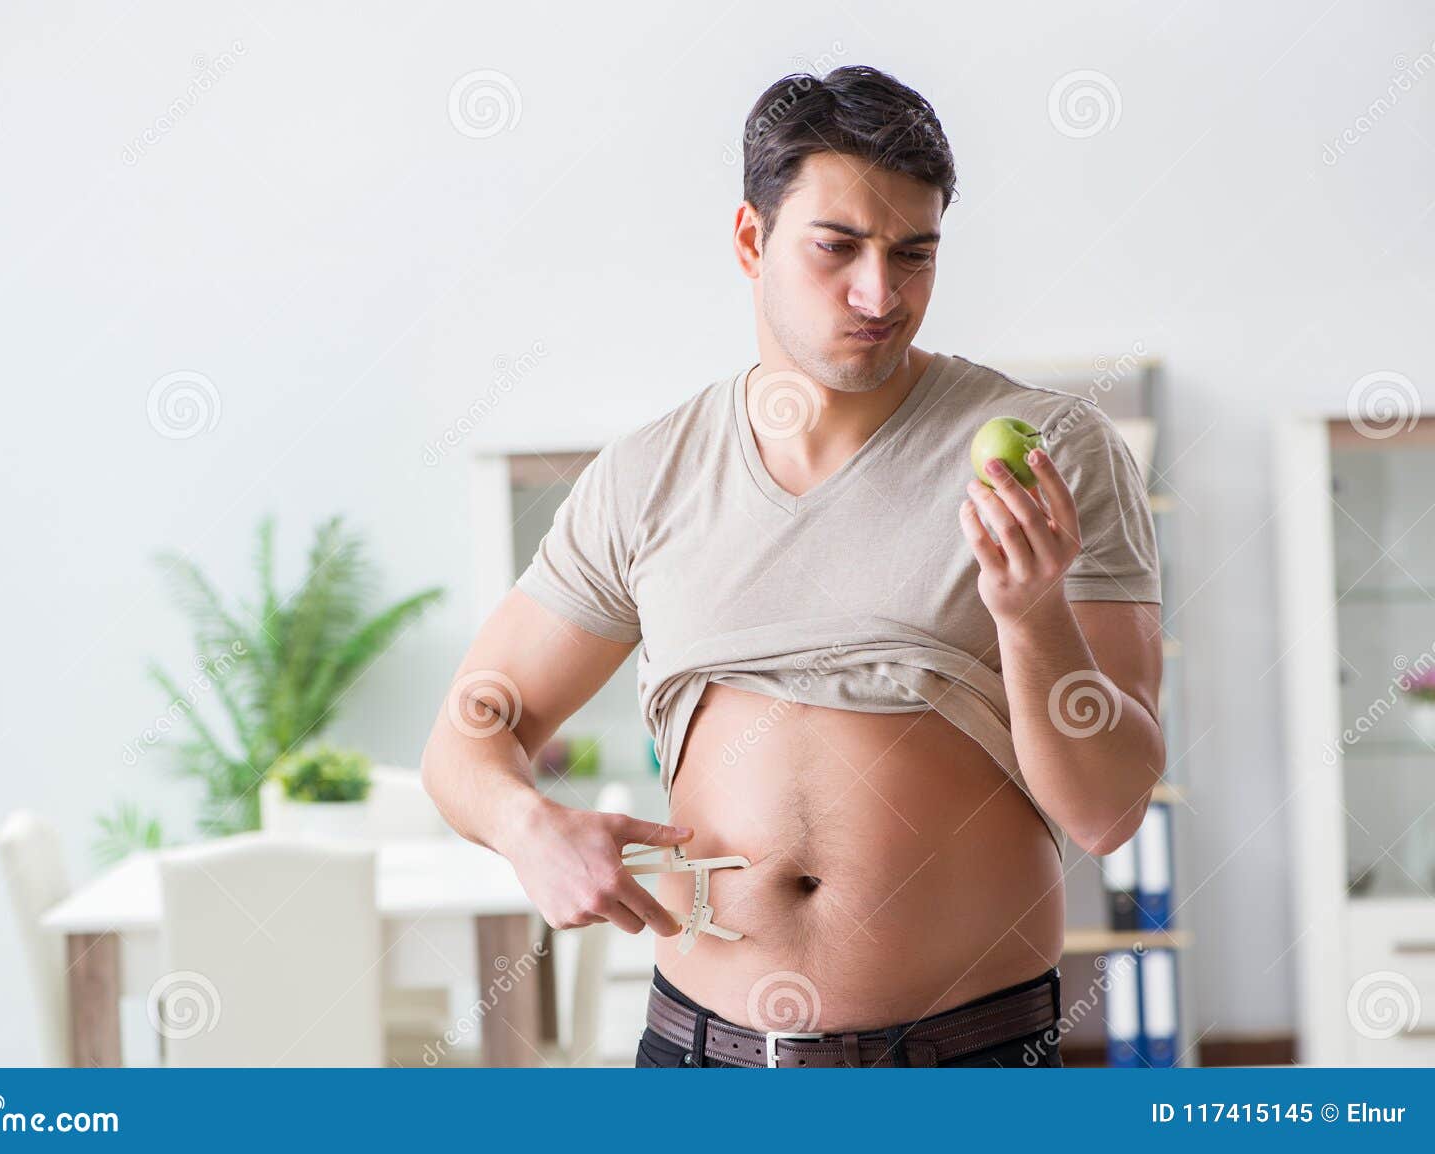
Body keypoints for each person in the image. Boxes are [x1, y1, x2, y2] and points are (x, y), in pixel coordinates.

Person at [421, 65, 1164, 1068]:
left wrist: (1031, 617)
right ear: (749, 240)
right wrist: (526, 827)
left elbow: (1109, 813)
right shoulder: (647, 475)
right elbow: (470, 734)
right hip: (698, 1060)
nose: (880, 294)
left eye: (913, 255)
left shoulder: (1047, 452)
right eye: (837, 248)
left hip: (966, 1063)